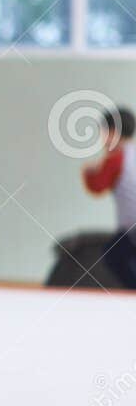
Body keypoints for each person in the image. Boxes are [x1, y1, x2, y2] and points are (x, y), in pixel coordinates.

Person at [81, 104, 136, 288]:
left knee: (114, 255)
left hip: (131, 226)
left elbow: (97, 186)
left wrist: (88, 172)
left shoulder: (116, 158)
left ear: (113, 132)